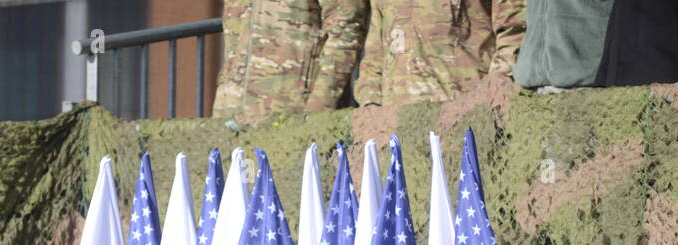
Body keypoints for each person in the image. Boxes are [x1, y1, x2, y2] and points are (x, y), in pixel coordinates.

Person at [212, 0, 368, 121]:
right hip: (230, 117)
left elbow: (346, 27)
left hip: (293, 113)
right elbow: (233, 46)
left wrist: (318, 109)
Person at [354, 0, 527, 108]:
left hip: (464, 117)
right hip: (394, 123)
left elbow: (514, 31)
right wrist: (370, 101)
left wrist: (493, 94)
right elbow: (376, 49)